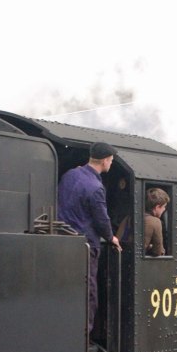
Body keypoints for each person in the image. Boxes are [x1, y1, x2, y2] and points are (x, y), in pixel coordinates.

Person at [57, 142, 122, 334]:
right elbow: (102, 220)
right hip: (85, 244)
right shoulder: (95, 187)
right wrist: (112, 238)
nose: (111, 164)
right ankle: (86, 335)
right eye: (111, 161)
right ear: (105, 161)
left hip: (61, 240)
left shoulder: (69, 175)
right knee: (89, 292)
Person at [144, 187, 169, 256]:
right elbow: (158, 252)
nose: (164, 209)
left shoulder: (128, 218)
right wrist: (151, 246)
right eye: (164, 207)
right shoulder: (155, 221)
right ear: (157, 207)